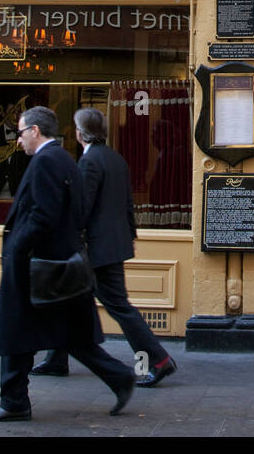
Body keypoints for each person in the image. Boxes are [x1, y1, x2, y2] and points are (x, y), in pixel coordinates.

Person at [0, 106, 135, 420]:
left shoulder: (46, 162)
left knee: (15, 331)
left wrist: (18, 248)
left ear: (35, 131)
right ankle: (118, 377)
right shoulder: (65, 159)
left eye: (22, 133)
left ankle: (14, 402)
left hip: (37, 265)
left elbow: (44, 215)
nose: (19, 140)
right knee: (64, 334)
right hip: (56, 264)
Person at [33, 107, 178, 387]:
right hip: (113, 244)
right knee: (68, 302)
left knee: (118, 306)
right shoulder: (115, 159)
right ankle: (57, 358)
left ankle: (159, 360)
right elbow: (126, 205)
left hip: (97, 250)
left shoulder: (89, 163)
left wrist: (67, 238)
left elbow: (82, 209)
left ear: (79, 133)